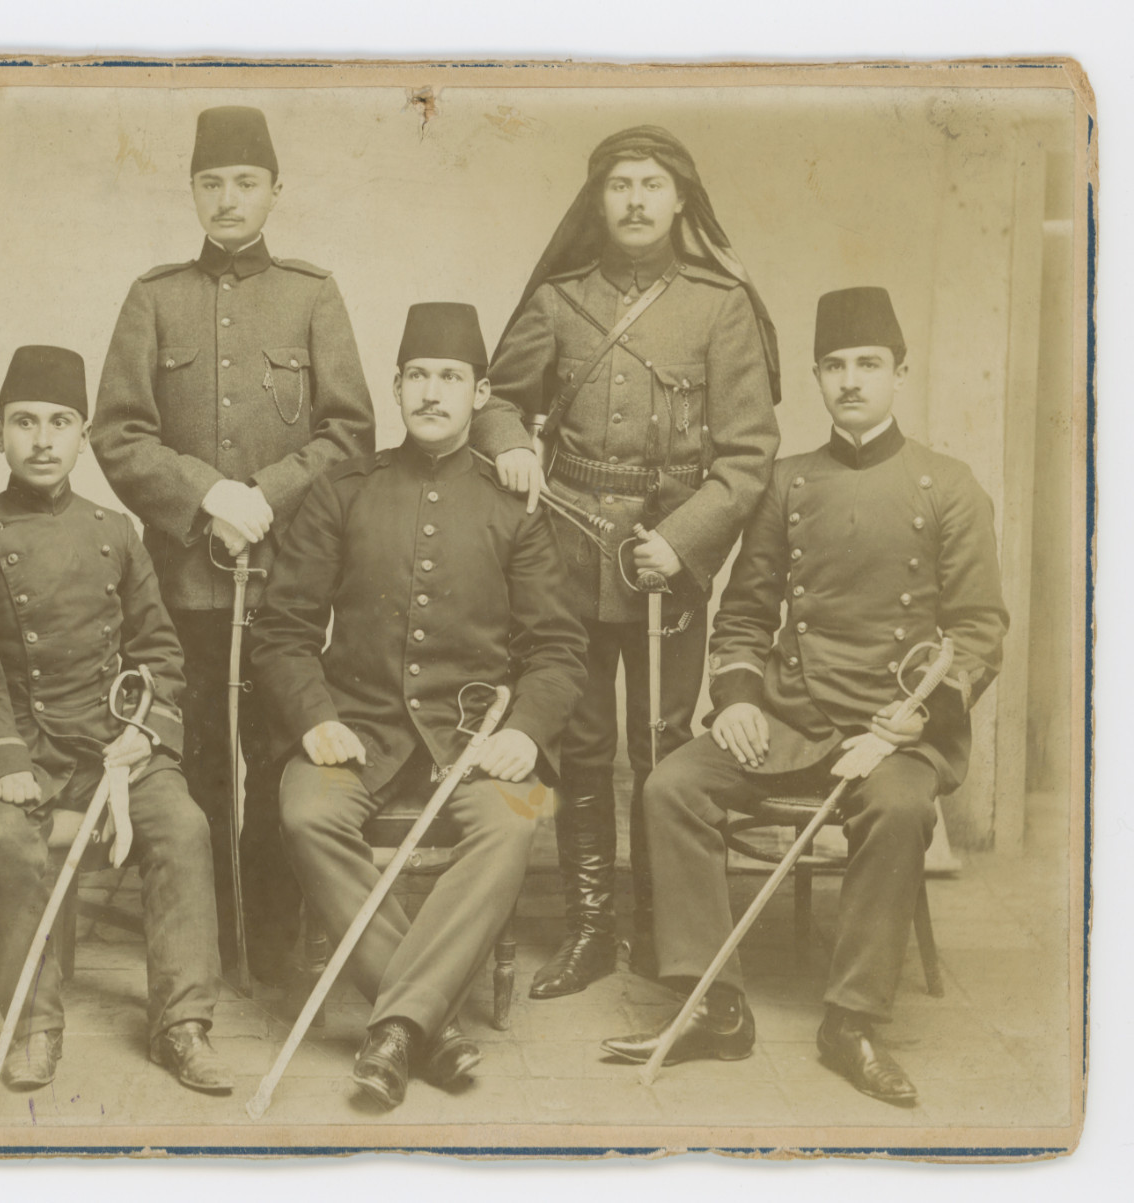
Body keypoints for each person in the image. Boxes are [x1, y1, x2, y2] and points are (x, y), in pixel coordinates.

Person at [600, 287, 1008, 1107]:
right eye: (834, 366)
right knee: (672, 785)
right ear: (818, 377)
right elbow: (744, 615)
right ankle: (715, 1003)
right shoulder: (786, 483)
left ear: (899, 372)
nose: (851, 381)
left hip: (896, 724)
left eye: (867, 365)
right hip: (790, 713)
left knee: (896, 811)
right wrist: (742, 696)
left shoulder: (949, 485)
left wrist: (909, 723)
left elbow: (978, 629)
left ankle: (851, 1022)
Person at [252, 303, 588, 1109]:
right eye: (418, 377)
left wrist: (524, 731)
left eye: (451, 377)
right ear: (397, 387)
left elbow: (559, 651)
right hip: (357, 731)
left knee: (513, 817)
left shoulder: (513, 506)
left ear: (480, 394)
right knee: (304, 814)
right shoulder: (343, 490)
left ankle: (395, 1028)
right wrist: (314, 717)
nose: (433, 393)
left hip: (472, 739)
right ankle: (426, 1025)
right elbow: (282, 630)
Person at [477, 125, 781, 995]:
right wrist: (511, 448)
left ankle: (662, 928)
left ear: (681, 199)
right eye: (620, 185)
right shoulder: (558, 302)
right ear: (598, 200)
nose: (637, 201)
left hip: (666, 564)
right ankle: (587, 931)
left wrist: (679, 542)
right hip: (566, 554)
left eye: (652, 184)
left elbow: (748, 458)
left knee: (661, 747)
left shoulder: (721, 304)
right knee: (579, 745)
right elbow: (499, 402)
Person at [92, 106, 376, 986]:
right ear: (192, 191)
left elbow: (351, 433)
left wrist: (265, 494)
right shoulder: (155, 297)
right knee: (199, 766)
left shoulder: (311, 293)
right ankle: (206, 946)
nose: (227, 199)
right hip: (182, 584)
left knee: (284, 759)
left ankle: (277, 947)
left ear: (274, 192)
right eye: (211, 183)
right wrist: (204, 494)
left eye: (245, 183)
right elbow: (117, 434)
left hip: (288, 587)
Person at [0, 346, 232, 1094]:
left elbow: (159, 647)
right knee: (2, 842)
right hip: (19, 746)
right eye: (24, 422)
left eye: (59, 422)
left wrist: (143, 730)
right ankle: (31, 1023)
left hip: (113, 747)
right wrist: (2, 766)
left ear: (83, 435)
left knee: (185, 827)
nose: (42, 438)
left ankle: (182, 1025)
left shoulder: (115, 529)